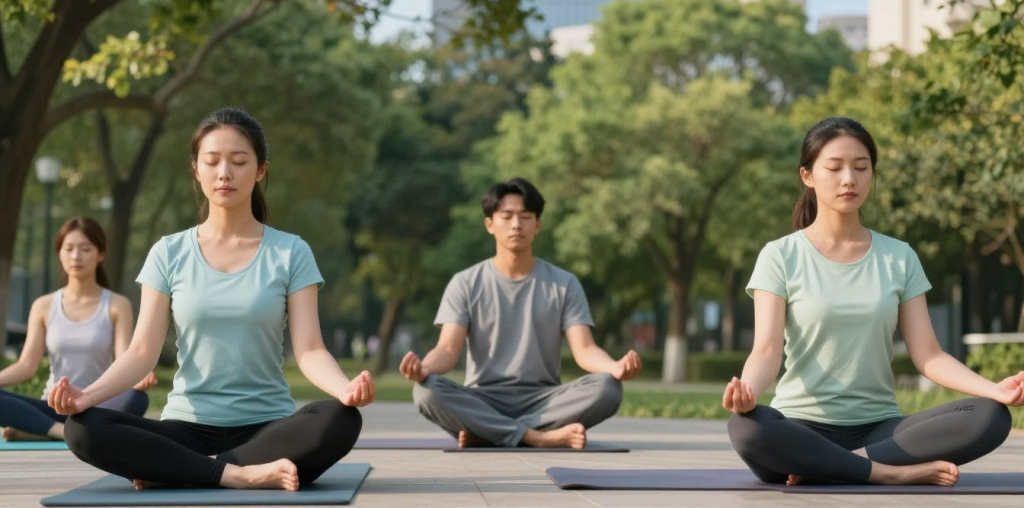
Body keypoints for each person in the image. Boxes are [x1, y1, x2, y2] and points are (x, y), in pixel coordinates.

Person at [48, 108, 374, 491]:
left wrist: (344, 389)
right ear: (196, 169)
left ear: (260, 171)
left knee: (342, 418)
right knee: (83, 428)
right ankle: (235, 474)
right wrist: (86, 397)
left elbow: (310, 350)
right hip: (185, 428)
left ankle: (185, 470)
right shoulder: (168, 252)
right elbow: (140, 353)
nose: (225, 173)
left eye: (239, 162)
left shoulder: (290, 252)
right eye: (213, 161)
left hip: (267, 430)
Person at [725, 116, 1021, 486]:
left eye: (861, 168)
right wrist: (748, 394)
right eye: (834, 167)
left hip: (881, 433)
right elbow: (767, 351)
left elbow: (929, 355)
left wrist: (995, 389)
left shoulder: (899, 257)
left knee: (990, 416)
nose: (849, 178)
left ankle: (834, 465)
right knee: (748, 428)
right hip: (799, 429)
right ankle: (887, 474)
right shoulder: (780, 256)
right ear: (807, 176)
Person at [400, 178, 641, 449]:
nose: (516, 225)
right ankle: (536, 437)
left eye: (526, 217)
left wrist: (614, 367)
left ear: (537, 224)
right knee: (426, 391)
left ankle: (490, 433)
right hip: (484, 399)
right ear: (489, 225)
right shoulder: (465, 283)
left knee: (608, 388)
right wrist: (424, 369)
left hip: (545, 400)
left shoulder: (564, 284)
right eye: (506, 216)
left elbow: (584, 349)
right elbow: (446, 349)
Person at [0, 217, 153, 441]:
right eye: (68, 248)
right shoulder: (43, 306)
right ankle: (61, 432)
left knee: (138, 398)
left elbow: (124, 359)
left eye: (85, 249)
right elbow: (26, 366)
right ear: (59, 253)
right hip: (52, 406)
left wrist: (138, 378)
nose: (75, 256)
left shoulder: (117, 305)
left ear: (101, 254)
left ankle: (42, 432)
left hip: (97, 405)